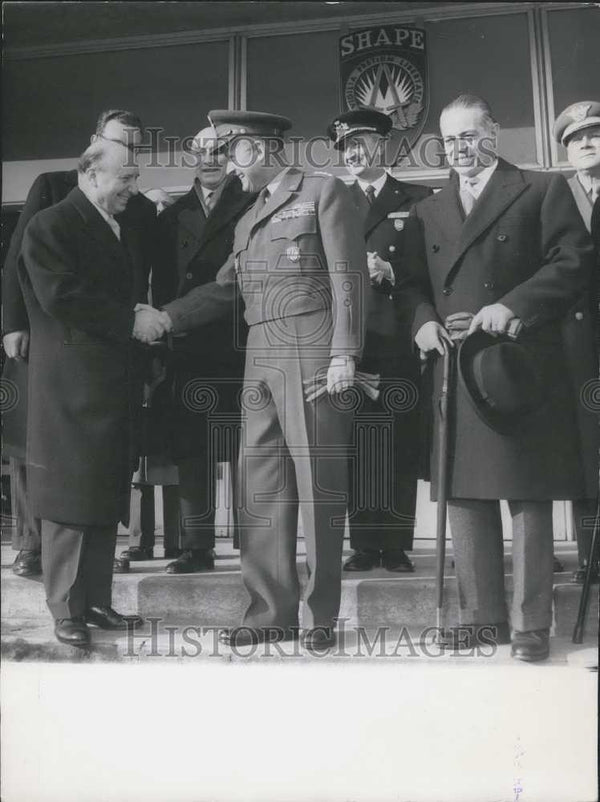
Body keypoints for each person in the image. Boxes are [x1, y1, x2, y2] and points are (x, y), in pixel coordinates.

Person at [160, 110, 369, 651]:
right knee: (261, 485)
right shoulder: (246, 217)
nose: (228, 164)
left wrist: (345, 353)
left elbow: (349, 275)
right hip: (260, 355)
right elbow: (224, 288)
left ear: (260, 148)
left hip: (313, 352)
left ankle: (321, 614)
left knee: (318, 481)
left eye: (233, 152)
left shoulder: (322, 191)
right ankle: (270, 611)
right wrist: (166, 317)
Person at [403, 94, 594, 662]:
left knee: (527, 493)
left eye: (469, 136)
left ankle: (531, 625)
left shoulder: (539, 188)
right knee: (463, 495)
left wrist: (513, 305)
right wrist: (421, 322)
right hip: (453, 363)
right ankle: (480, 619)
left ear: (493, 133)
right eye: (450, 139)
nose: (459, 148)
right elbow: (413, 283)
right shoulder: (428, 208)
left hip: (517, 361)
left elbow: (573, 262)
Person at [18, 139, 166, 647]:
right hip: (71, 389)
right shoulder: (51, 224)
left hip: (107, 383)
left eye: (135, 176)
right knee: (68, 497)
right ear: (90, 172)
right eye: (125, 177)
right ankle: (65, 609)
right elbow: (60, 295)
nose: (133, 186)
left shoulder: (111, 227)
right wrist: (131, 321)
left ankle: (96, 601)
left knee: (103, 492)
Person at [2, 109, 156, 578]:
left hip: (111, 358)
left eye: (136, 152)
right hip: (63, 349)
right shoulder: (52, 197)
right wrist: (13, 323)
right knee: (51, 459)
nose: (131, 178)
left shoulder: (137, 209)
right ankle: (34, 548)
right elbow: (23, 270)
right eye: (121, 152)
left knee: (101, 470)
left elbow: (139, 276)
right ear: (92, 155)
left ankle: (94, 589)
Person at [327, 108, 431, 573]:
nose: (353, 153)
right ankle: (365, 543)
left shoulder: (417, 198)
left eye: (361, 144)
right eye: (346, 147)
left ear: (383, 147)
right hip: (349, 342)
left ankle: (396, 544)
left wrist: (394, 272)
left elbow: (433, 273)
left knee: (398, 443)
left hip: (394, 341)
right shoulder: (332, 198)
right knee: (358, 445)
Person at [148, 126, 255, 573]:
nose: (210, 160)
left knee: (249, 450)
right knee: (194, 449)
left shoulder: (252, 203)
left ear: (233, 157)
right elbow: (159, 279)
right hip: (187, 346)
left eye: (220, 152)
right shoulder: (170, 215)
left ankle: (256, 544)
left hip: (237, 343)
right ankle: (197, 545)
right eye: (202, 151)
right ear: (192, 155)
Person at [553, 100, 600, 584]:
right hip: (575, 339)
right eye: (575, 138)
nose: (585, 143)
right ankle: (592, 555)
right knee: (586, 445)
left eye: (594, 134)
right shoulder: (555, 195)